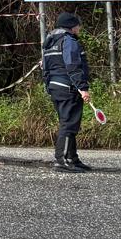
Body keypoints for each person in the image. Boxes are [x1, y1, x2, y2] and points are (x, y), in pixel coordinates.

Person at [43, 11, 93, 171]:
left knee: (68, 123)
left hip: (55, 87)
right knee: (69, 124)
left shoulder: (50, 42)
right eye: (78, 26)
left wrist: (48, 87)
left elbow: (45, 68)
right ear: (72, 27)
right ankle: (62, 160)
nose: (79, 28)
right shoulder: (69, 41)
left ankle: (72, 158)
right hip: (68, 88)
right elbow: (72, 65)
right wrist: (82, 88)